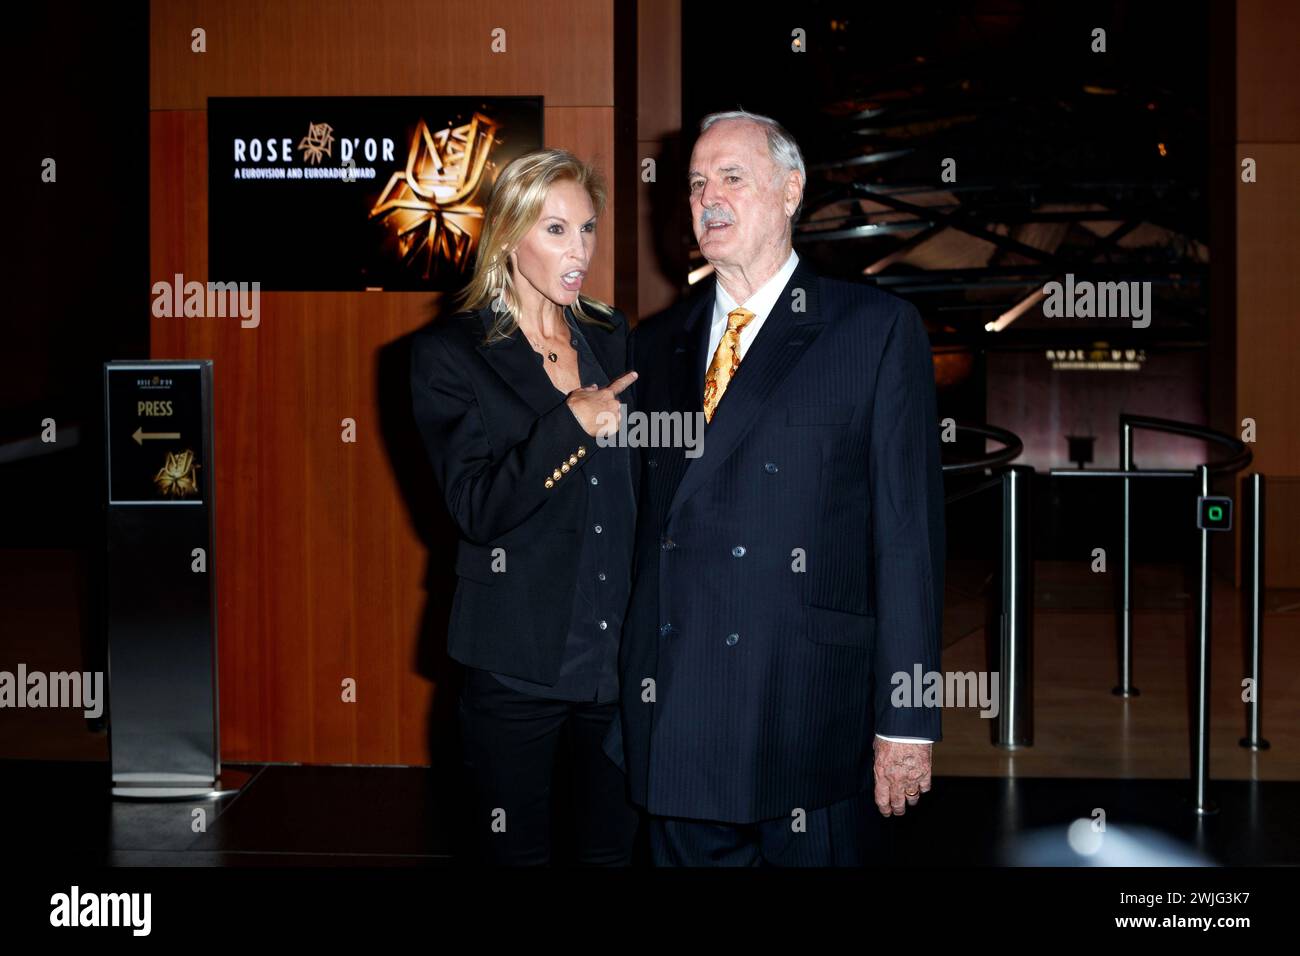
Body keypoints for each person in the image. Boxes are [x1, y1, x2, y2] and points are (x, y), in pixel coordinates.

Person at [609, 110, 946, 866]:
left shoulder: (872, 329)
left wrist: (909, 716)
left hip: (807, 712)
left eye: (732, 177)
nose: (709, 198)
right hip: (680, 713)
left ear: (790, 191)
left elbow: (906, 537)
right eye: (697, 183)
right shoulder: (655, 344)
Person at [410, 148, 639, 865]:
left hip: (616, 662)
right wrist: (569, 423)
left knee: (612, 854)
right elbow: (475, 508)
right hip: (517, 668)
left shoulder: (609, 335)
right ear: (509, 237)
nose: (580, 252)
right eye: (556, 230)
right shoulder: (450, 354)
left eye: (588, 229)